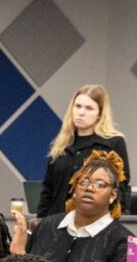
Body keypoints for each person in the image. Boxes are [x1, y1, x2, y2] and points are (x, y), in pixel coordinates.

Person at [14, 150, 128, 262]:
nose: (89, 188)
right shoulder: (46, 226)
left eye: (99, 184)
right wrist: (19, 256)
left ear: (113, 195)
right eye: (83, 182)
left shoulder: (122, 240)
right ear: (74, 190)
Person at [36, 85, 131, 218]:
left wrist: (112, 220)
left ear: (100, 114)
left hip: (94, 224)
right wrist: (40, 222)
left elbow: (121, 187)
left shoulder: (113, 143)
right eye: (78, 106)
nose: (81, 112)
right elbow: (48, 189)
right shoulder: (62, 143)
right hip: (56, 223)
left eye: (89, 108)